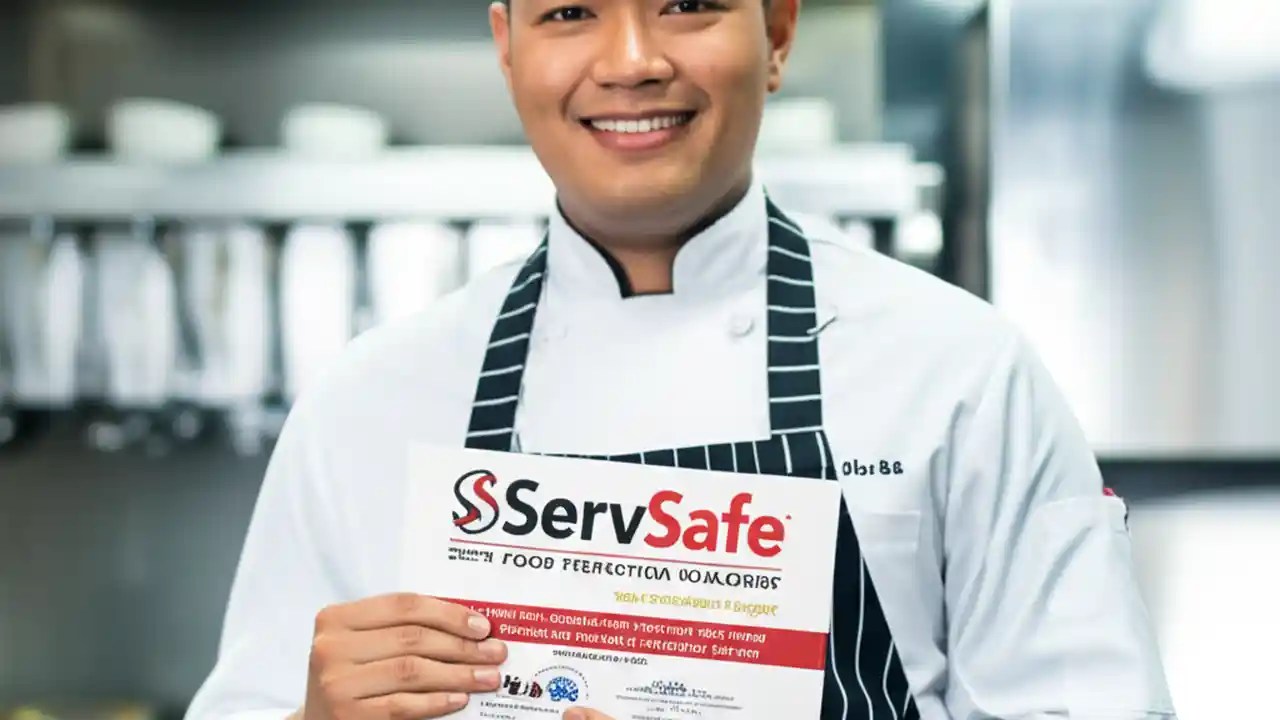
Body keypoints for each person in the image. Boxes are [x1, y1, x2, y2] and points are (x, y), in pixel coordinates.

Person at [187, 1, 1177, 719]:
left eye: (688, 5)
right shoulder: (369, 400)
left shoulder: (961, 372)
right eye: (569, 12)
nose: (629, 61)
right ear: (505, 47)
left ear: (777, 33)